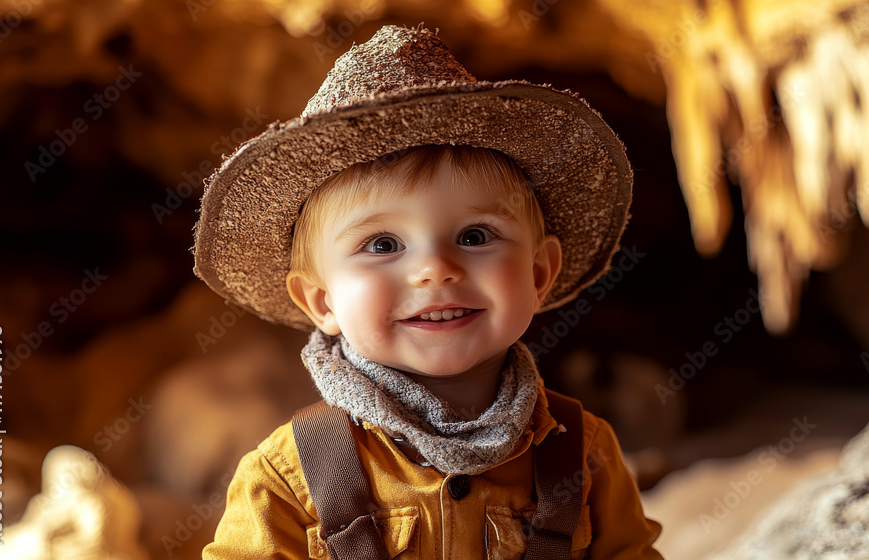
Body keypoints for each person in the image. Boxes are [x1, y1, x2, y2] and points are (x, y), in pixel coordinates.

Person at [194, 23, 662, 559]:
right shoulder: (287, 479)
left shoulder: (583, 454)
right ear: (322, 302)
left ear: (538, 274)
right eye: (383, 243)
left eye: (474, 236)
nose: (435, 269)